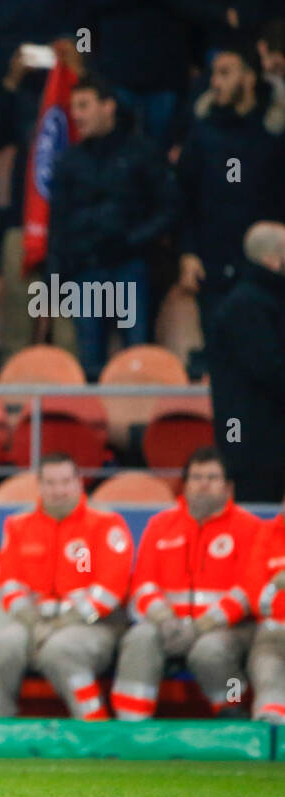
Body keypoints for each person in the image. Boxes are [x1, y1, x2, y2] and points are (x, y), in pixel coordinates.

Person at [113, 447, 262, 720]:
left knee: (210, 651)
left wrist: (203, 625)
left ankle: (232, 712)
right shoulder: (160, 525)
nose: (203, 484)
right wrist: (164, 619)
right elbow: (143, 585)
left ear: (228, 486)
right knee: (139, 638)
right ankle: (131, 726)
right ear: (185, 485)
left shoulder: (250, 528)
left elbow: (248, 591)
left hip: (229, 628)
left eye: (212, 477)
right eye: (196, 477)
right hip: (169, 626)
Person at [47, 73, 179, 380]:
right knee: (90, 360)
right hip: (85, 268)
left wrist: (132, 240)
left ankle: (139, 426)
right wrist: (56, 280)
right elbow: (59, 224)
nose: (76, 114)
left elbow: (170, 209)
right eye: (73, 106)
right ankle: (96, 426)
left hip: (130, 266)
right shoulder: (69, 160)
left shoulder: (142, 152)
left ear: (108, 106)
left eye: (83, 105)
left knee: (137, 357)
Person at [0, 453, 133, 720]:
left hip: (94, 625)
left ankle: (93, 728)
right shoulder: (18, 524)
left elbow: (111, 589)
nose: (58, 490)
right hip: (32, 622)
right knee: (3, 644)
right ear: (39, 486)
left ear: (79, 483)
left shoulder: (106, 523)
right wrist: (31, 620)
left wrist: (65, 622)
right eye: (50, 483)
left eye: (65, 482)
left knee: (60, 649)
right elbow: (8, 581)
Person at [176, 44, 285, 345]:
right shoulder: (202, 133)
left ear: (249, 79)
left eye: (225, 73)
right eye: (214, 74)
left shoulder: (275, 133)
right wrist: (187, 253)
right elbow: (183, 198)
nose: (215, 82)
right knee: (219, 356)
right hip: (213, 268)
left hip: (266, 272)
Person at [208, 220, 285, 504]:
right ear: (271, 259)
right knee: (256, 521)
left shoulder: (264, 299)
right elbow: (270, 368)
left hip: (265, 438)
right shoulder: (247, 306)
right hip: (254, 444)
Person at [245, 497, 285, 722]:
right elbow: (256, 596)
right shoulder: (265, 534)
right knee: (266, 671)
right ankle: (230, 707)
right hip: (272, 634)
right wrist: (274, 587)